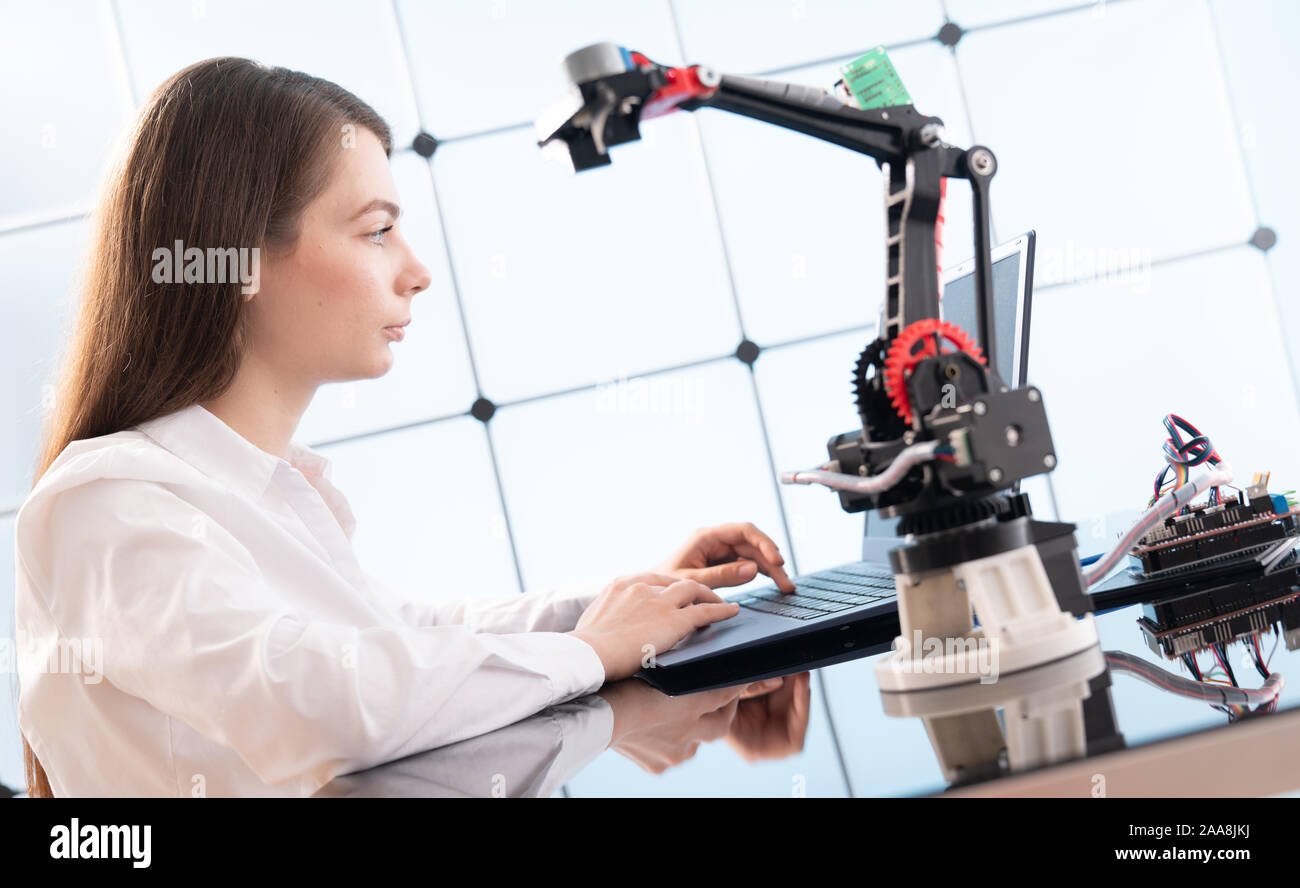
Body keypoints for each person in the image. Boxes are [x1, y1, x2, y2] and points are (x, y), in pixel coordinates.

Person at [12, 57, 796, 798]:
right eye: (377, 231)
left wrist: (636, 603)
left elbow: (409, 639)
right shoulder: (105, 503)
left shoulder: (263, 493)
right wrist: (592, 649)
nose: (416, 272)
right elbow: (323, 703)